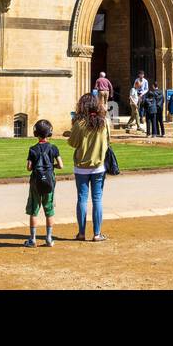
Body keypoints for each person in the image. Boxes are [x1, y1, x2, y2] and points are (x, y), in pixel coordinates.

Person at [66, 92, 111, 242]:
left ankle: (81, 233)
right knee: (97, 199)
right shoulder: (104, 122)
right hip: (98, 166)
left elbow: (72, 143)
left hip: (81, 166)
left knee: (82, 199)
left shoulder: (80, 124)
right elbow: (108, 142)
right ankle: (97, 234)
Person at [24, 119, 63, 247]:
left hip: (35, 181)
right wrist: (52, 166)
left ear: (36, 133)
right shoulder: (53, 148)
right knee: (49, 209)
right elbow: (61, 165)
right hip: (49, 181)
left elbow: (29, 167)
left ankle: (33, 239)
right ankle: (49, 238)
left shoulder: (33, 149)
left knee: (34, 210)